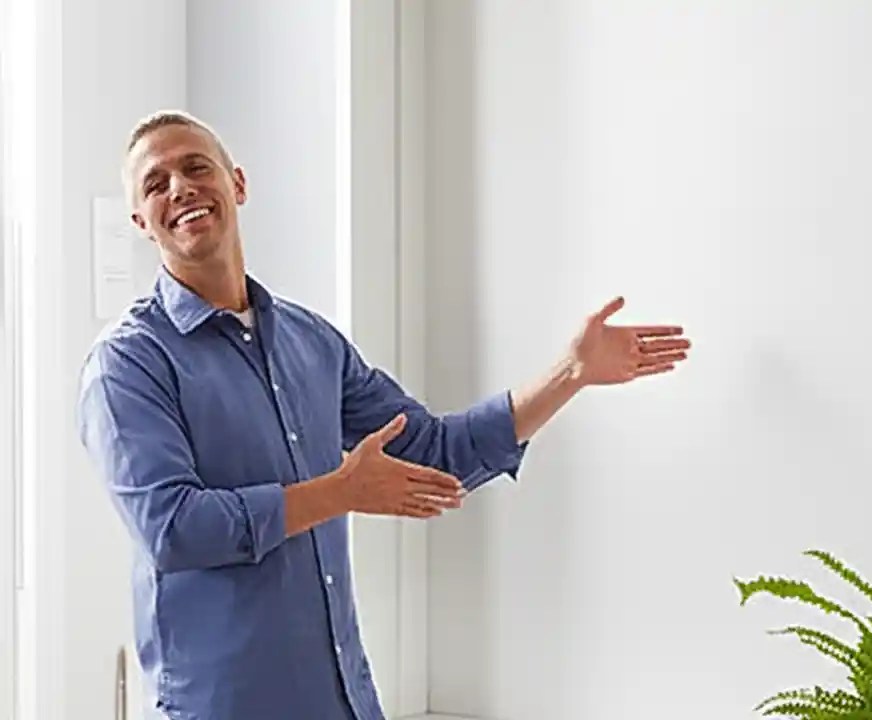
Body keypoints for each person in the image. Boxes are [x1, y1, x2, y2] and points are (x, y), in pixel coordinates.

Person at [76, 110, 691, 720]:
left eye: (195, 167)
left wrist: (569, 374)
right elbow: (173, 528)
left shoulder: (310, 341)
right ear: (140, 221)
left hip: (343, 700)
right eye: (156, 184)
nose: (180, 188)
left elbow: (434, 454)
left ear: (237, 183)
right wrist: (338, 492)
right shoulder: (128, 363)